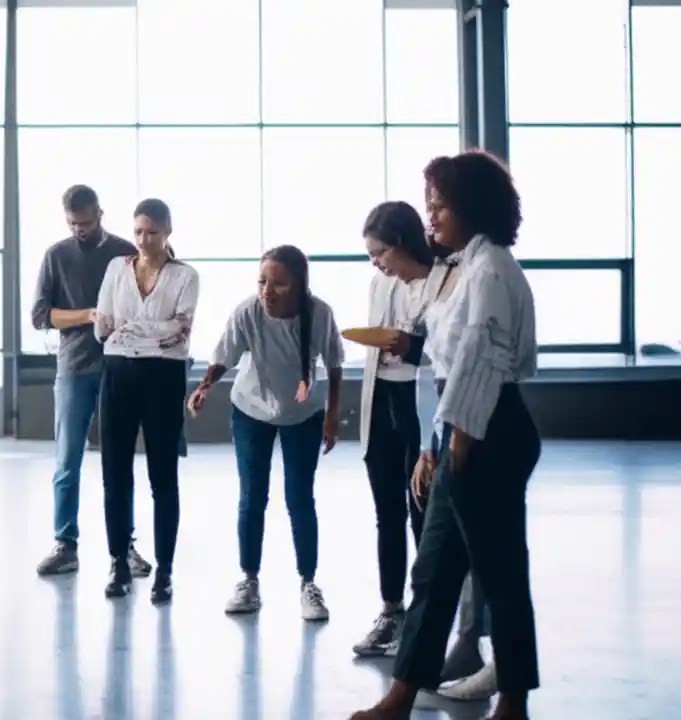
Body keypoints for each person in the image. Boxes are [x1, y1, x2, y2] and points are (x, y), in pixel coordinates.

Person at [351, 149, 540, 720]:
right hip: (463, 426)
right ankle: (403, 692)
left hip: (489, 430)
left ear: (471, 207)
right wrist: (440, 440)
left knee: (500, 569)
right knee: (433, 569)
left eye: (438, 206)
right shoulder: (464, 266)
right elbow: (448, 358)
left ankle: (513, 700)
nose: (429, 217)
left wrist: (455, 438)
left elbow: (482, 357)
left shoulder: (491, 269)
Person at [186, 245, 344, 620]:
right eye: (262, 281)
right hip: (251, 409)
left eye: (279, 284)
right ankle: (249, 581)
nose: (267, 291)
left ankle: (309, 584)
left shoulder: (319, 314)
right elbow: (223, 355)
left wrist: (332, 415)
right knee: (252, 496)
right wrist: (204, 387)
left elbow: (335, 365)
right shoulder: (248, 311)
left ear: (299, 285)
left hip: (303, 413)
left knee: (299, 498)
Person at [30, 185, 153, 578]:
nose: (79, 230)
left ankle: (125, 546)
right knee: (67, 460)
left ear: (100, 213)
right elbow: (39, 316)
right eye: (72, 224)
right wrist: (86, 315)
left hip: (121, 366)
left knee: (119, 463)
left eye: (84, 222)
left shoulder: (124, 252)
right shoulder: (56, 255)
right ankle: (65, 544)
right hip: (74, 368)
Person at [351, 201, 448, 656]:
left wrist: (410, 347)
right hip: (383, 401)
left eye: (380, 252)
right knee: (386, 511)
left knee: (425, 514)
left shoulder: (445, 281)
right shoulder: (379, 282)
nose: (376, 262)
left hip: (421, 404)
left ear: (405, 243)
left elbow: (448, 352)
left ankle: (432, 617)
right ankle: (392, 610)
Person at [94, 198, 199, 604]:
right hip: (118, 374)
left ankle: (165, 570)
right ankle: (118, 561)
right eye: (138, 231)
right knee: (115, 474)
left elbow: (181, 332)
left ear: (167, 232)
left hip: (163, 377)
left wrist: (129, 329)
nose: (143, 239)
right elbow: (103, 328)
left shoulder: (185, 276)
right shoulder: (116, 269)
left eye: (152, 232)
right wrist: (147, 330)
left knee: (163, 475)